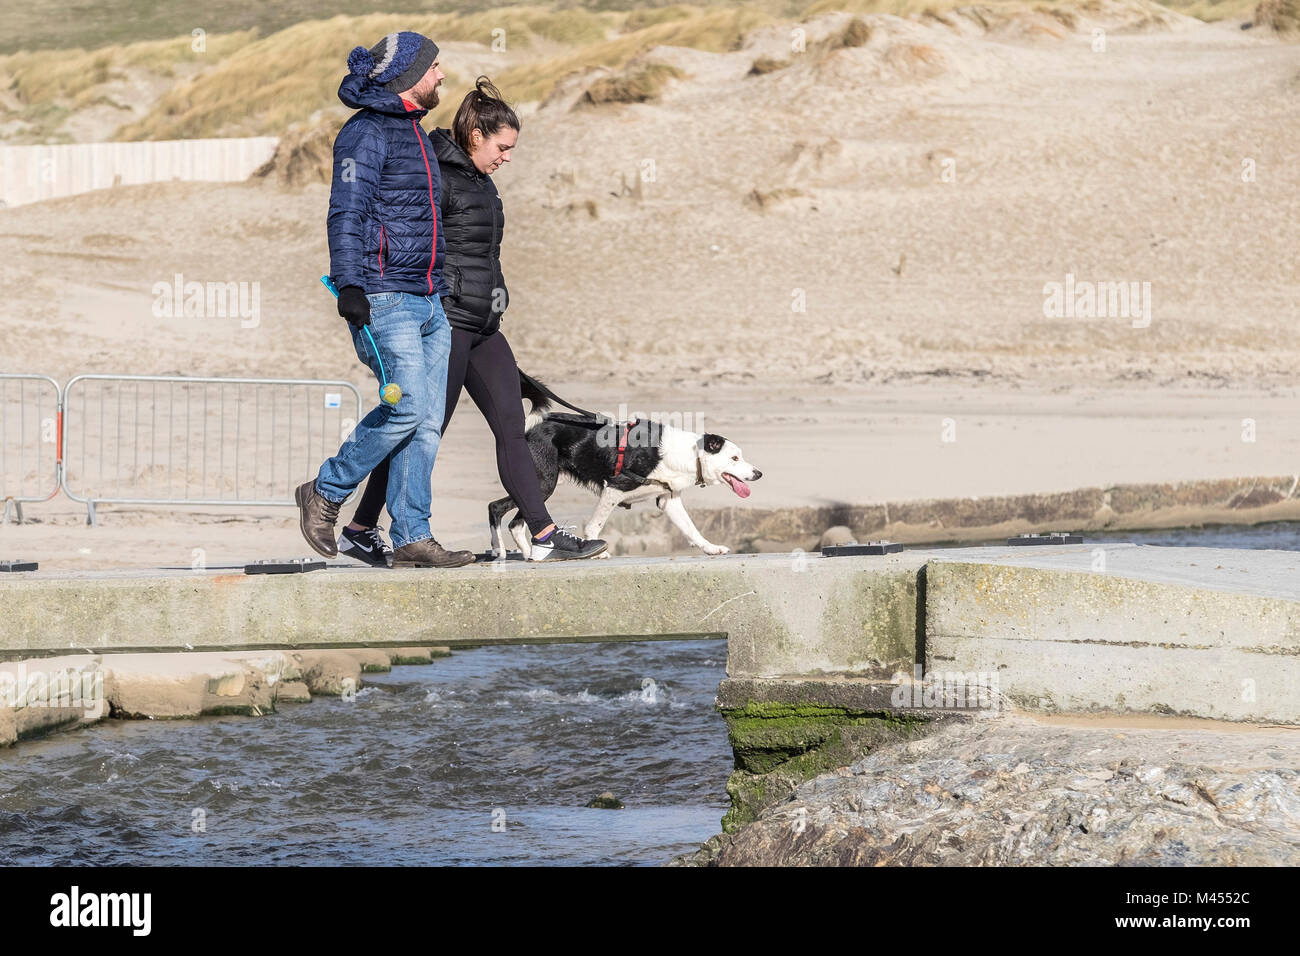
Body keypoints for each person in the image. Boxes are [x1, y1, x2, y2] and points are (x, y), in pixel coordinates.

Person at [338, 77, 606, 564]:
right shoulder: (434, 172)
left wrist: (497, 303)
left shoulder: (483, 182)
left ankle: (544, 533)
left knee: (511, 425)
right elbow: (418, 244)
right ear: (476, 134)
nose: (507, 156)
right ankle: (360, 524)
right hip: (447, 320)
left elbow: (487, 254)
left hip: (484, 326)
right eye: (503, 146)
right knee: (419, 428)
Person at [295, 31, 474, 569]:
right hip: (382, 296)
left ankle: (412, 533)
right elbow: (346, 212)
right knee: (408, 407)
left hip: (426, 298)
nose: (442, 75)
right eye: (435, 66)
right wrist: (350, 285)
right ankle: (325, 492)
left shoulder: (414, 132)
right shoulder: (365, 134)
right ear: (409, 75)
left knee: (425, 421)